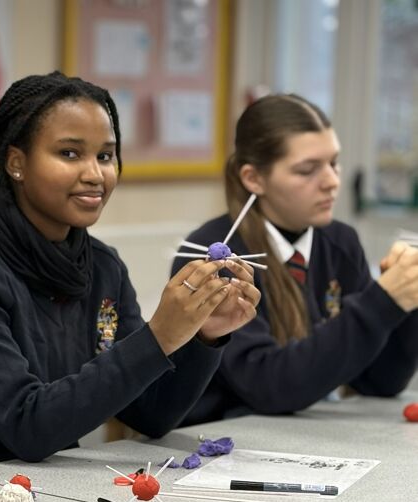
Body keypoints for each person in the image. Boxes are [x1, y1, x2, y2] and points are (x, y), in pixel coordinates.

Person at [0, 71, 261, 467]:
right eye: (70, 154)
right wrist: (159, 336)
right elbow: (27, 427)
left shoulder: (103, 267)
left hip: (52, 490)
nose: (95, 174)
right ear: (16, 163)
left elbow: (152, 414)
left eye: (105, 156)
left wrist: (203, 337)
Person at [171, 93, 418, 425]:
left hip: (302, 437)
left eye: (334, 163)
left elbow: (379, 381)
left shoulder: (339, 242)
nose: (332, 181)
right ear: (254, 178)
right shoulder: (217, 254)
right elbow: (268, 386)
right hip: (226, 443)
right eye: (307, 170)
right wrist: (382, 301)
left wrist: (406, 300)